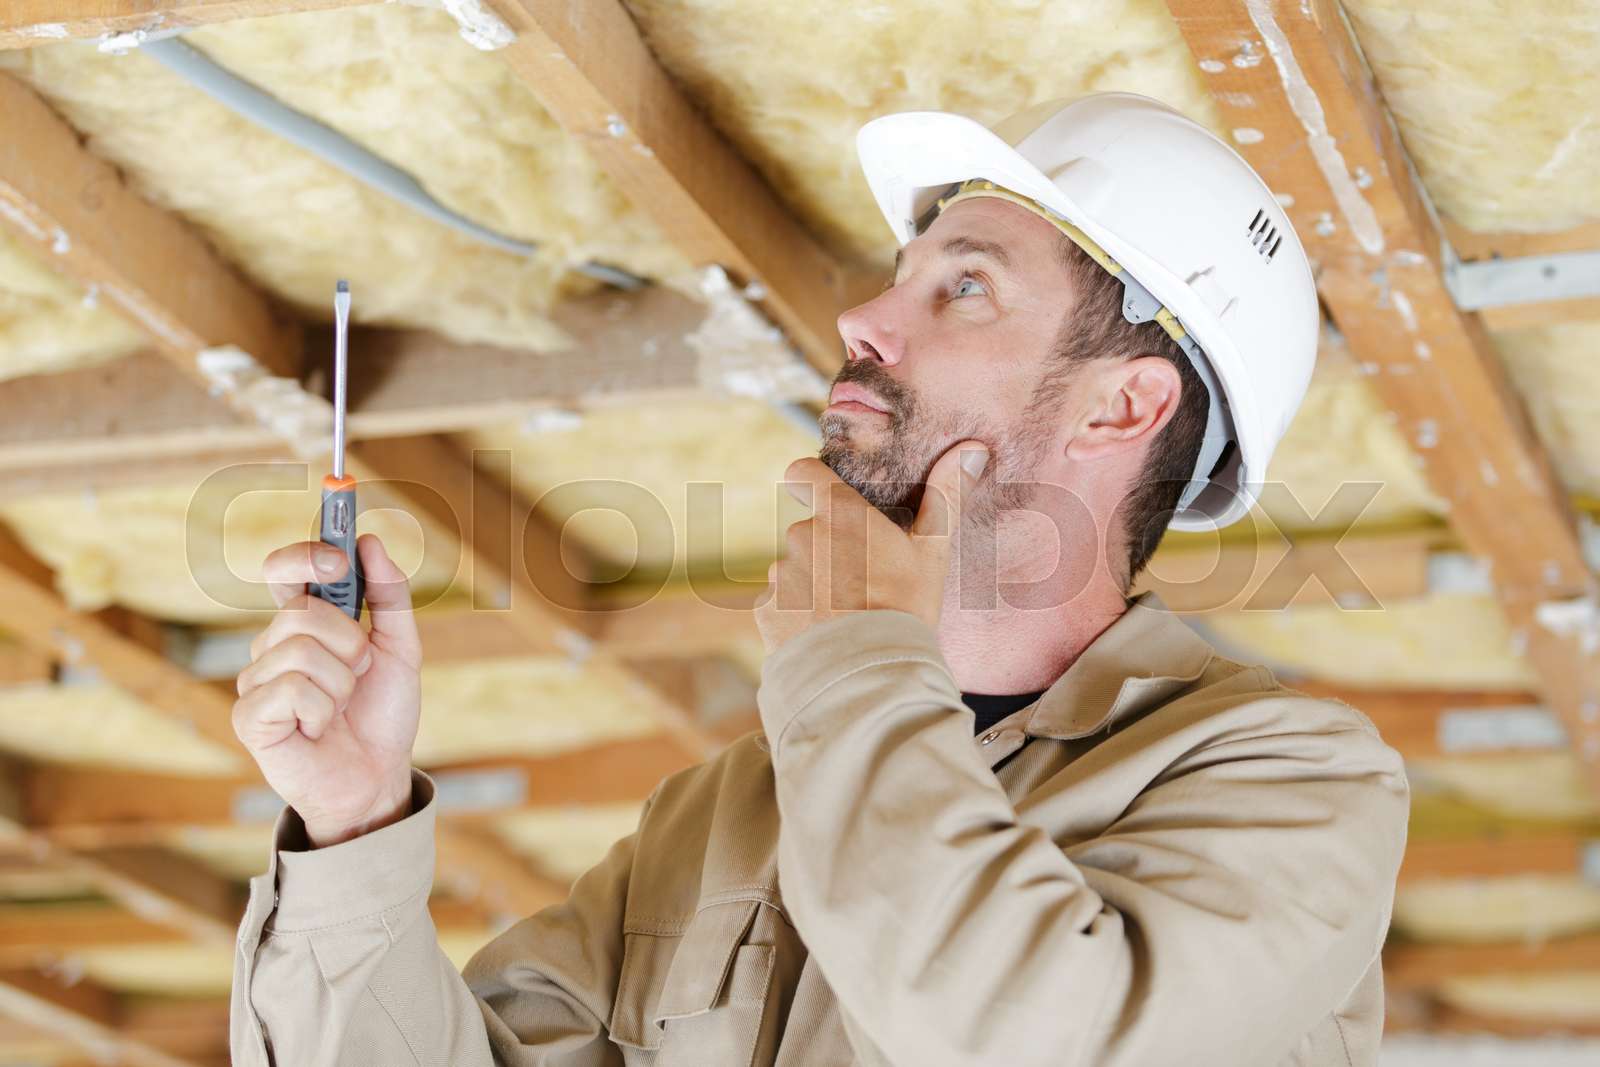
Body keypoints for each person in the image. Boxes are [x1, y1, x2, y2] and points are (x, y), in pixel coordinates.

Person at [230, 94, 1408, 1066]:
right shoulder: (718, 816)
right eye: (901, 275)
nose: (860, 317)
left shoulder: (1291, 783)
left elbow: (1022, 1035)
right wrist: (352, 823)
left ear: (1121, 404)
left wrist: (855, 652)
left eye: (964, 286)